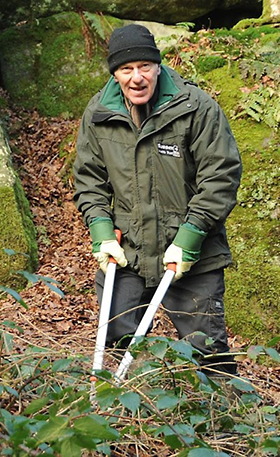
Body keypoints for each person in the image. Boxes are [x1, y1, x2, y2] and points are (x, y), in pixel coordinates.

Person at [73, 23, 242, 378]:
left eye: (145, 67)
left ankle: (224, 421)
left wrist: (190, 236)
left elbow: (221, 177)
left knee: (206, 348)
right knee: (117, 336)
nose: (137, 77)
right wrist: (102, 231)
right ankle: (142, 407)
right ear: (115, 73)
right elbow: (90, 179)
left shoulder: (196, 108)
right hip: (129, 252)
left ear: (158, 66)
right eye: (126, 69)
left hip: (190, 253)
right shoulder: (99, 114)